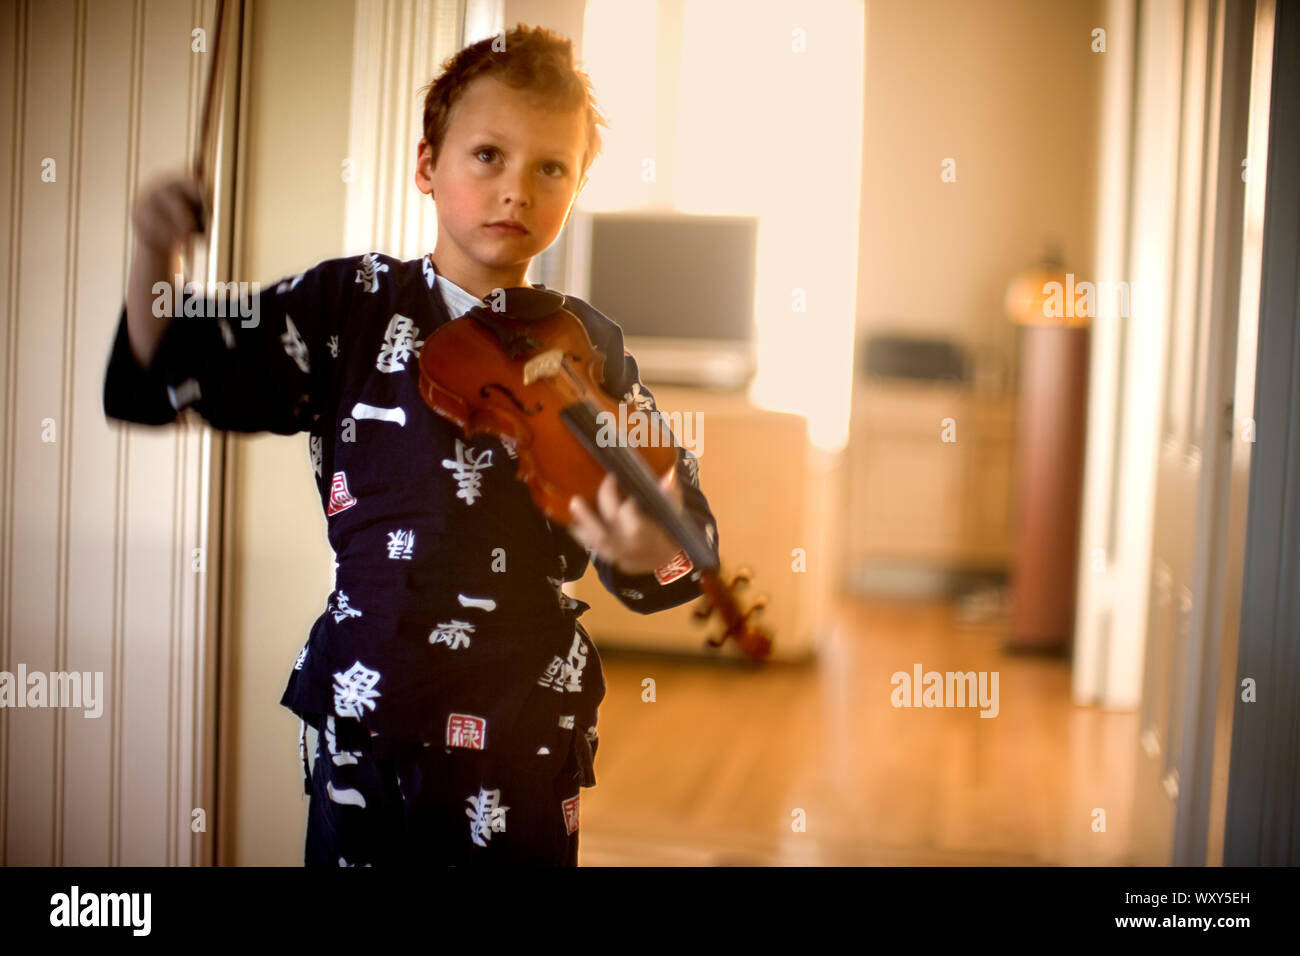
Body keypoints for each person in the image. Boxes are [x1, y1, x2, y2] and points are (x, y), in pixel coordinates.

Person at [102, 23, 719, 866]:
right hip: (370, 708)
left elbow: (681, 536)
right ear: (428, 165)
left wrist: (648, 541)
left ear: (577, 187)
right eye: (488, 156)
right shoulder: (347, 306)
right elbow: (163, 367)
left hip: (522, 720)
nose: (517, 191)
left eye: (552, 168)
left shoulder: (590, 345)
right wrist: (151, 249)